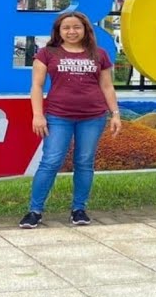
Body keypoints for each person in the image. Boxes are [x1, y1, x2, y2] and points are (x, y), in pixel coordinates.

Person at [19, 12, 121, 229]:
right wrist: (38, 115)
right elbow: (36, 86)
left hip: (93, 117)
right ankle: (34, 211)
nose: (72, 31)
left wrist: (115, 113)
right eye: (66, 28)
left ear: (85, 30)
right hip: (58, 116)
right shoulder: (47, 53)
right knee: (51, 161)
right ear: (58, 31)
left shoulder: (99, 54)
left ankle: (79, 209)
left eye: (77, 27)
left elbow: (107, 86)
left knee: (84, 162)